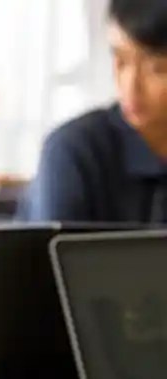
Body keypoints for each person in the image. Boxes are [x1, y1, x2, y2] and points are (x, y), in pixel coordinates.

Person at [21, 0, 167, 223]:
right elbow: (49, 255)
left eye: (157, 68)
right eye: (121, 61)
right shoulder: (74, 149)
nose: (130, 86)